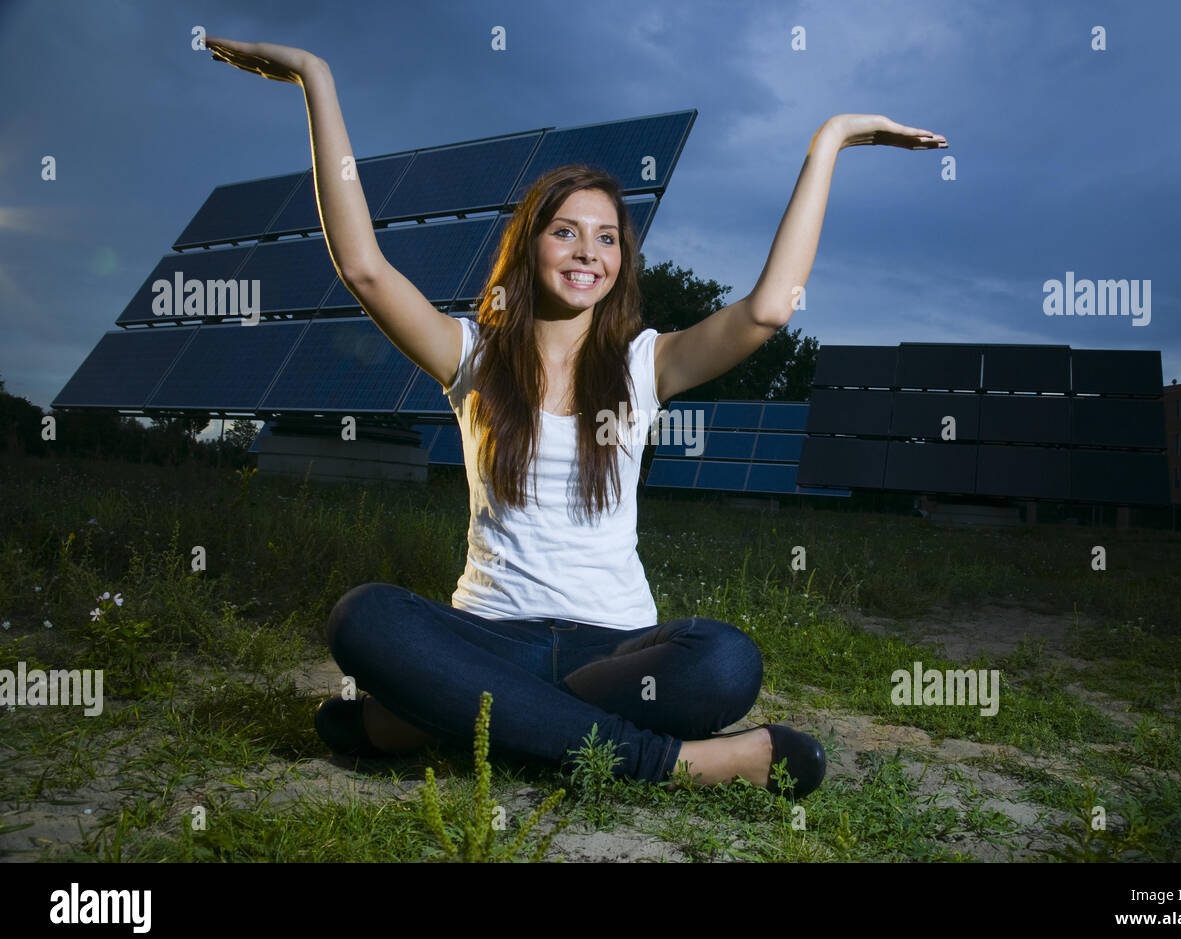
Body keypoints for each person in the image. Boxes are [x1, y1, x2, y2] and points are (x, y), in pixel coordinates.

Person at [206, 36, 946, 800]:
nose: (587, 251)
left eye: (607, 237)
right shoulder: (471, 354)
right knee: (364, 617)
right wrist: (315, 79)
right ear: (530, 245)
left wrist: (829, 141)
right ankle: (680, 762)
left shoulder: (645, 363)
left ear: (623, 259)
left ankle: (437, 719)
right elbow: (363, 265)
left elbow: (766, 310)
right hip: (489, 638)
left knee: (726, 660)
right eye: (566, 230)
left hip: (619, 649)